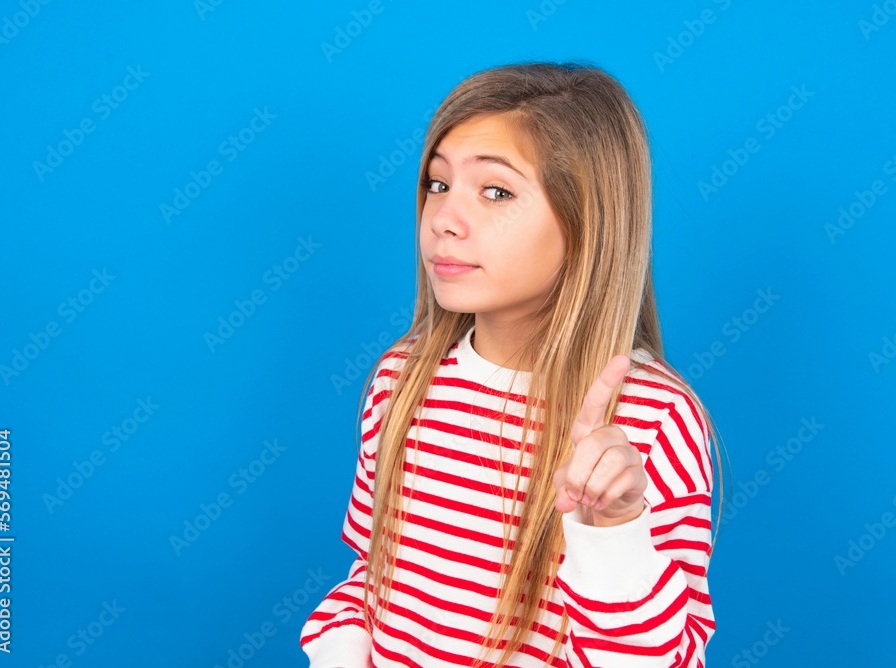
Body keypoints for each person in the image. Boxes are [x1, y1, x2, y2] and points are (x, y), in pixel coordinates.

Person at [300, 60, 725, 668]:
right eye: (439, 184)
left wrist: (613, 530)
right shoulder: (401, 380)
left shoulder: (651, 419)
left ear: (588, 223)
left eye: (495, 191)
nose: (443, 218)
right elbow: (370, 581)